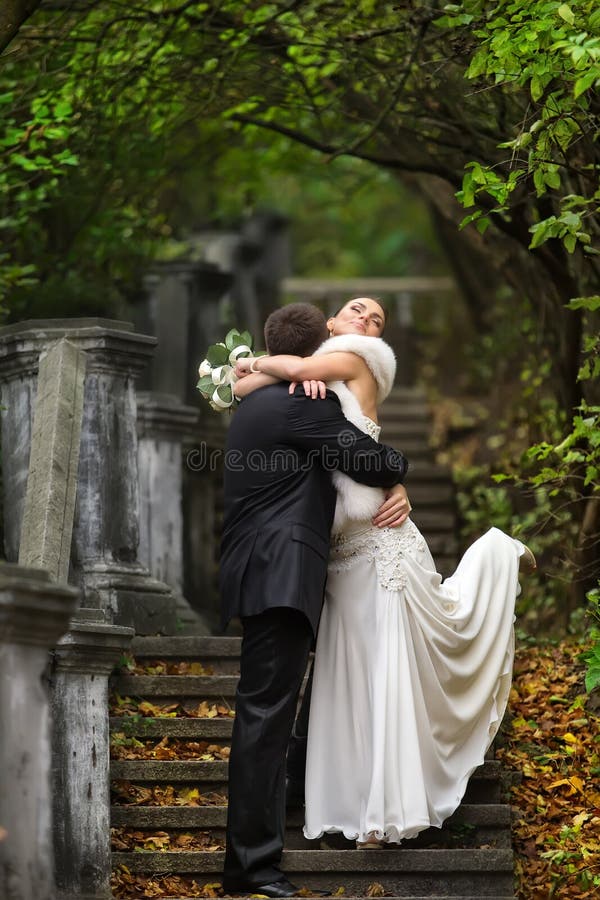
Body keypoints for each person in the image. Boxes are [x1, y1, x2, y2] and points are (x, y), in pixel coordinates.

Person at [235, 296, 535, 849]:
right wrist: (248, 373)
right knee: (346, 677)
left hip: (378, 538)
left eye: (378, 318)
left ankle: (385, 807)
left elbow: (275, 377)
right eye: (357, 311)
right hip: (339, 551)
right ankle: (346, 803)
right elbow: (248, 391)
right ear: (328, 322)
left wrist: (250, 362)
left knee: (385, 667)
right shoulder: (314, 378)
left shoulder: (355, 357)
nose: (368, 322)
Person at [220, 302, 410, 897]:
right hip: (282, 573)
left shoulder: (252, 404)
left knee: (276, 710)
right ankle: (252, 868)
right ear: (318, 353)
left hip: (258, 568)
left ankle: (295, 800)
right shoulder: (306, 405)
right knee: (265, 717)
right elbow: (375, 459)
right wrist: (399, 476)